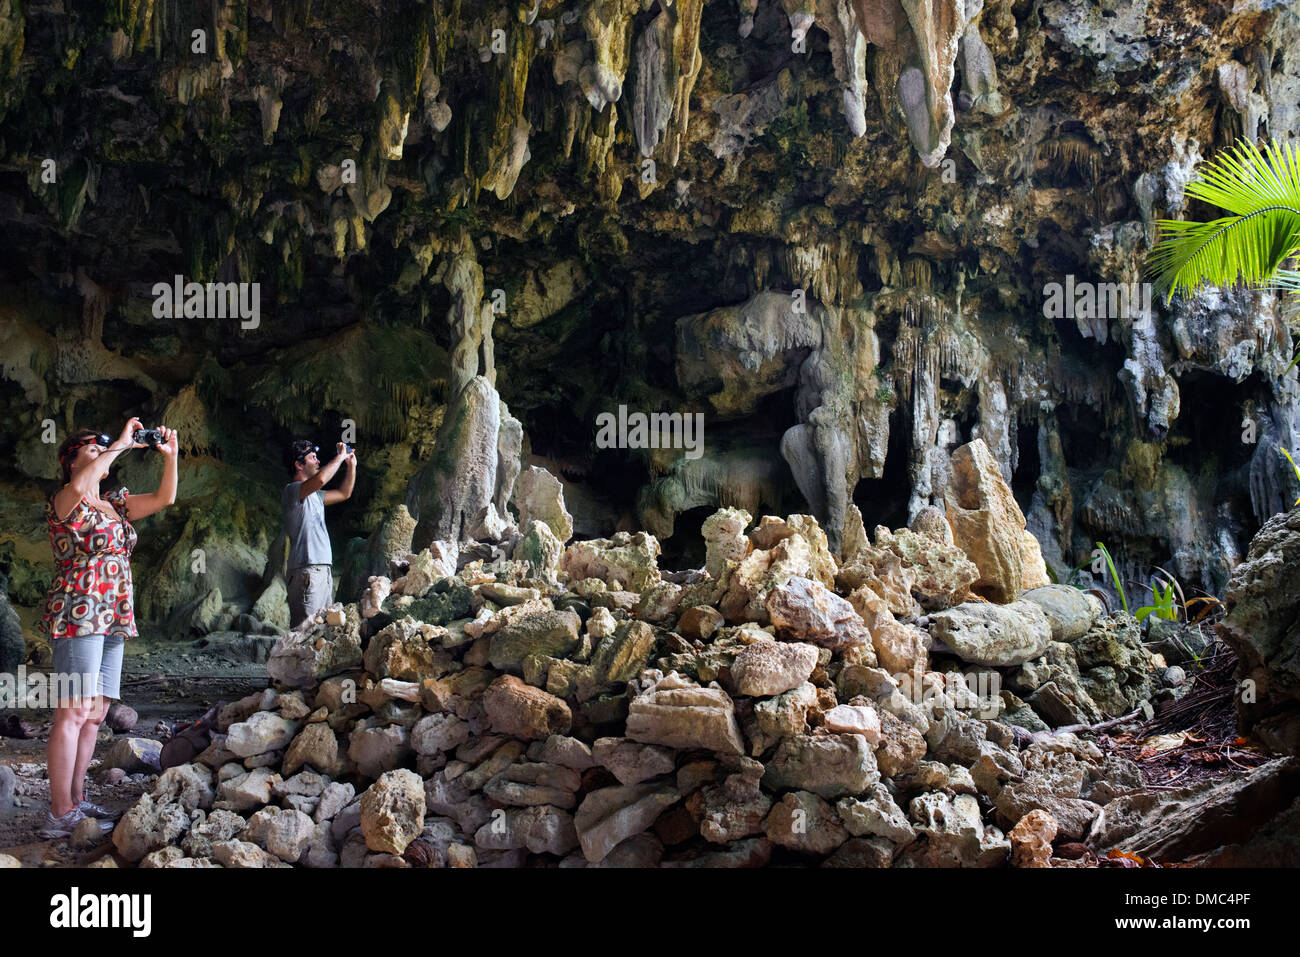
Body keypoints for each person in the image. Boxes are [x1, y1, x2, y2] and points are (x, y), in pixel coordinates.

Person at [39, 417, 179, 839]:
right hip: (78, 612)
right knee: (71, 711)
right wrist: (119, 442)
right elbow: (82, 486)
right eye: (90, 446)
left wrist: (171, 458)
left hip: (113, 614)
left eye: (102, 445)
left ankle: (77, 800)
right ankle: (58, 812)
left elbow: (165, 498)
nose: (99, 449)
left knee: (96, 713)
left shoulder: (113, 503)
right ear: (70, 460)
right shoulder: (66, 499)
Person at [282, 439, 355, 628]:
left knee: (322, 630)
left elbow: (344, 493)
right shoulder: (292, 491)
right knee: (305, 630)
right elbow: (321, 479)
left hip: (322, 570)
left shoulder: (315, 496)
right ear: (299, 465)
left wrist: (351, 465)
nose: (317, 461)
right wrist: (339, 457)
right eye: (313, 458)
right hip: (306, 571)